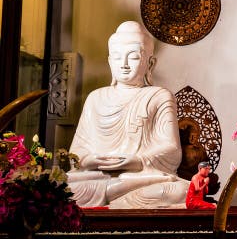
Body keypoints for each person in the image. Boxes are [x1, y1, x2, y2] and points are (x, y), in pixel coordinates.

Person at [67, 21, 188, 208]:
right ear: (109, 61)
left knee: (179, 191)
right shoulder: (95, 98)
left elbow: (172, 150)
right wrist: (88, 159)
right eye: (117, 58)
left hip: (139, 177)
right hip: (97, 178)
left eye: (132, 57)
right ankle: (116, 196)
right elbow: (76, 153)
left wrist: (137, 161)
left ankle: (114, 195)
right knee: (62, 188)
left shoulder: (158, 96)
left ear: (150, 63)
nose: (123, 64)